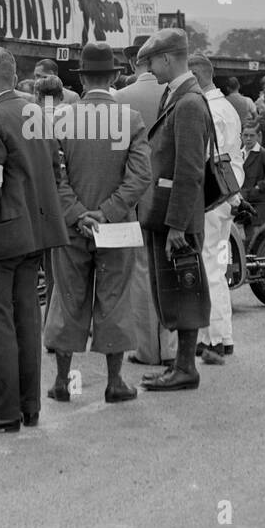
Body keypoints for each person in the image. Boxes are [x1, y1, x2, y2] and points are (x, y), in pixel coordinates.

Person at [0, 47, 68, 433]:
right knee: (26, 319)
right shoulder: (36, 113)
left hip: (0, 236)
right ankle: (29, 406)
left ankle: (1, 410)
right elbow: (54, 171)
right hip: (34, 233)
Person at [42, 42, 151, 405]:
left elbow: (53, 178)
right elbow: (139, 178)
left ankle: (62, 382)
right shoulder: (131, 119)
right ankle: (115, 382)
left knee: (67, 297)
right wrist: (106, 213)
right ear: (116, 76)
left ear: (83, 77)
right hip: (117, 227)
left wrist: (77, 214)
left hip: (70, 226)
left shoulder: (59, 119)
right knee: (115, 299)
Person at [135, 28, 212, 392]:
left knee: (183, 289)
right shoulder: (180, 97)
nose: (150, 69)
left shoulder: (188, 103)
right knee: (174, 288)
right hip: (168, 214)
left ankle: (185, 368)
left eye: (152, 61)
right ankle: (181, 366)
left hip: (174, 218)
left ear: (167, 59)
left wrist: (178, 226)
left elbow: (190, 169)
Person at [113, 38, 174, 367]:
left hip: (135, 195)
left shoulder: (121, 97)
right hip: (170, 191)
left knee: (140, 269)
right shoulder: (176, 94)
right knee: (170, 267)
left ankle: (148, 348)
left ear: (135, 61)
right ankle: (171, 345)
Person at [190, 54, 244, 363]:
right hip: (228, 196)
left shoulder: (208, 109)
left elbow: (210, 158)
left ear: (196, 75)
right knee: (217, 266)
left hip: (211, 196)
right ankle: (222, 336)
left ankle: (212, 339)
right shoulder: (226, 107)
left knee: (208, 265)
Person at [238, 124, 265, 245]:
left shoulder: (263, 153)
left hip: (257, 202)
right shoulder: (238, 153)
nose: (248, 139)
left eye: (252, 135)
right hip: (241, 200)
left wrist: (259, 187)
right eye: (246, 135)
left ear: (258, 136)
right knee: (240, 237)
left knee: (254, 238)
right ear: (241, 137)